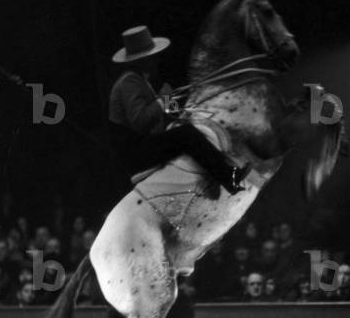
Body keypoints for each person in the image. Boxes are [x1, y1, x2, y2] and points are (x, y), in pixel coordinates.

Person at [106, 25, 250, 197]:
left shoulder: (141, 80)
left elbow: (164, 113)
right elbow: (140, 121)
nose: (156, 60)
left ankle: (216, 178)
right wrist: (163, 100)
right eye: (151, 57)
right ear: (140, 60)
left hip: (143, 146)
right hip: (136, 154)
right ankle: (228, 179)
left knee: (190, 129)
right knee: (187, 135)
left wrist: (178, 108)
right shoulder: (129, 82)